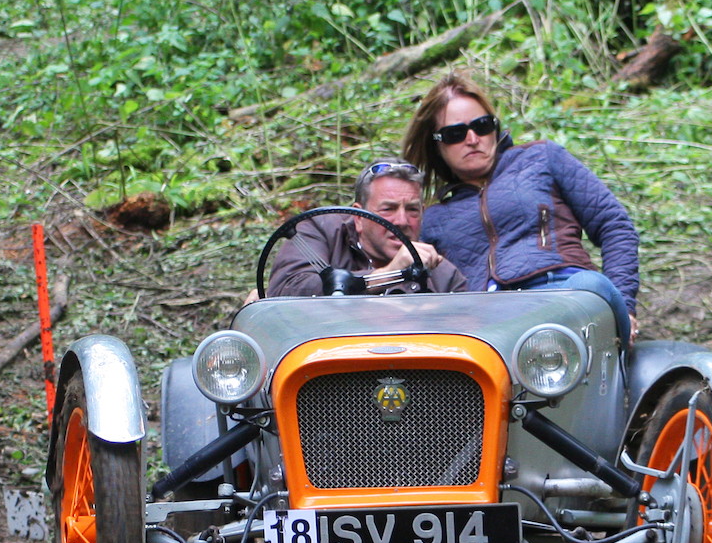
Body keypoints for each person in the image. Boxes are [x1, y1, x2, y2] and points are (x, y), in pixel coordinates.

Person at [402, 71, 639, 344]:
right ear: (437, 145)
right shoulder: (433, 217)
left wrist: (625, 302)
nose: (472, 139)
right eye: (455, 133)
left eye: (482, 126)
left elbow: (614, 225)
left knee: (593, 287)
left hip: (565, 291)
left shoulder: (541, 158)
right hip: (487, 319)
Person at [255, 159, 466, 301]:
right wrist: (388, 275)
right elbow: (283, 293)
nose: (402, 221)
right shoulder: (322, 232)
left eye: (412, 210)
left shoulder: (443, 275)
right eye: (388, 209)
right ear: (358, 216)